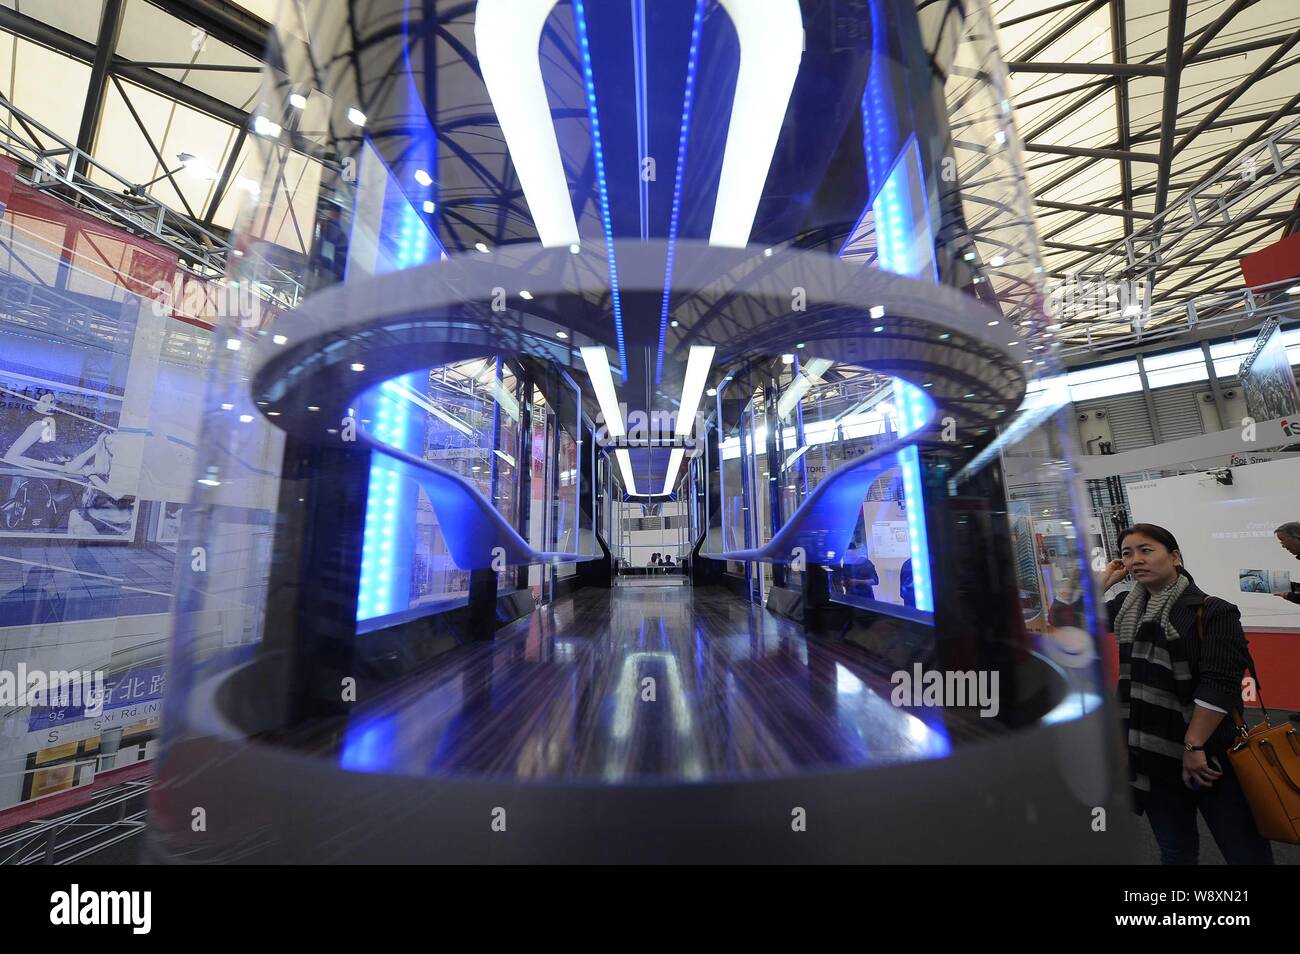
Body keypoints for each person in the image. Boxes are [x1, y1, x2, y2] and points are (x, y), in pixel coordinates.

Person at [1099, 523, 1272, 865]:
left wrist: (1194, 746)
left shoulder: (1212, 610)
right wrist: (1105, 579)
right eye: (1126, 554)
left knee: (1244, 850)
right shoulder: (1125, 607)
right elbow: (1066, 619)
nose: (1135, 560)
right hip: (1153, 753)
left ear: (1175, 557)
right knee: (1175, 851)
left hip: (1212, 754)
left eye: (1146, 550)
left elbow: (1219, 684)